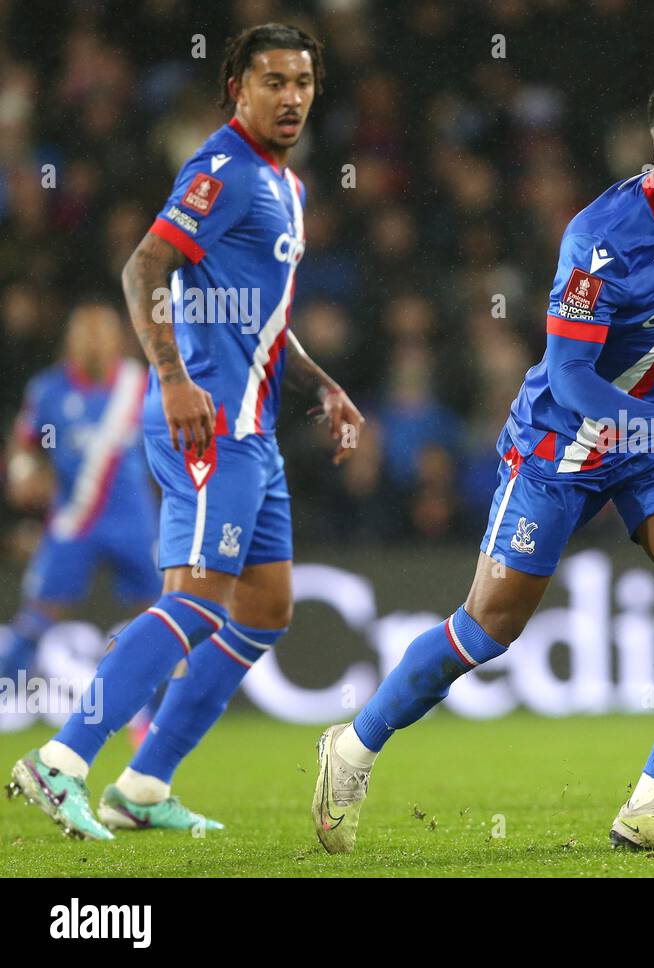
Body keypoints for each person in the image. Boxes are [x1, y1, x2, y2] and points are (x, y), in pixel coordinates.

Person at [312, 71, 654, 853]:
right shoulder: (599, 240)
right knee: (486, 631)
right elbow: (575, 381)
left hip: (653, 438)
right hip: (563, 446)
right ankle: (353, 744)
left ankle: (650, 804)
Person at [9, 23, 364, 840]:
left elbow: (266, 320)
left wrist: (322, 385)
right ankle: (61, 759)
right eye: (273, 81)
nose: (292, 98)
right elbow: (143, 267)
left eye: (303, 83)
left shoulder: (287, 185)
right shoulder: (223, 169)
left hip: (254, 430)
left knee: (266, 608)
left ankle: (143, 784)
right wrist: (172, 377)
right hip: (207, 423)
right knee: (198, 604)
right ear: (236, 86)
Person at [1, 301, 160, 692]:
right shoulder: (49, 391)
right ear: (71, 341)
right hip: (74, 520)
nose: (93, 343)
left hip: (135, 519)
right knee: (38, 615)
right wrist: (24, 474)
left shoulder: (140, 385)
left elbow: (174, 445)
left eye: (102, 333)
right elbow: (25, 445)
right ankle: (6, 687)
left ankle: (161, 704)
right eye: (85, 334)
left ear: (117, 340)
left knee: (162, 614)